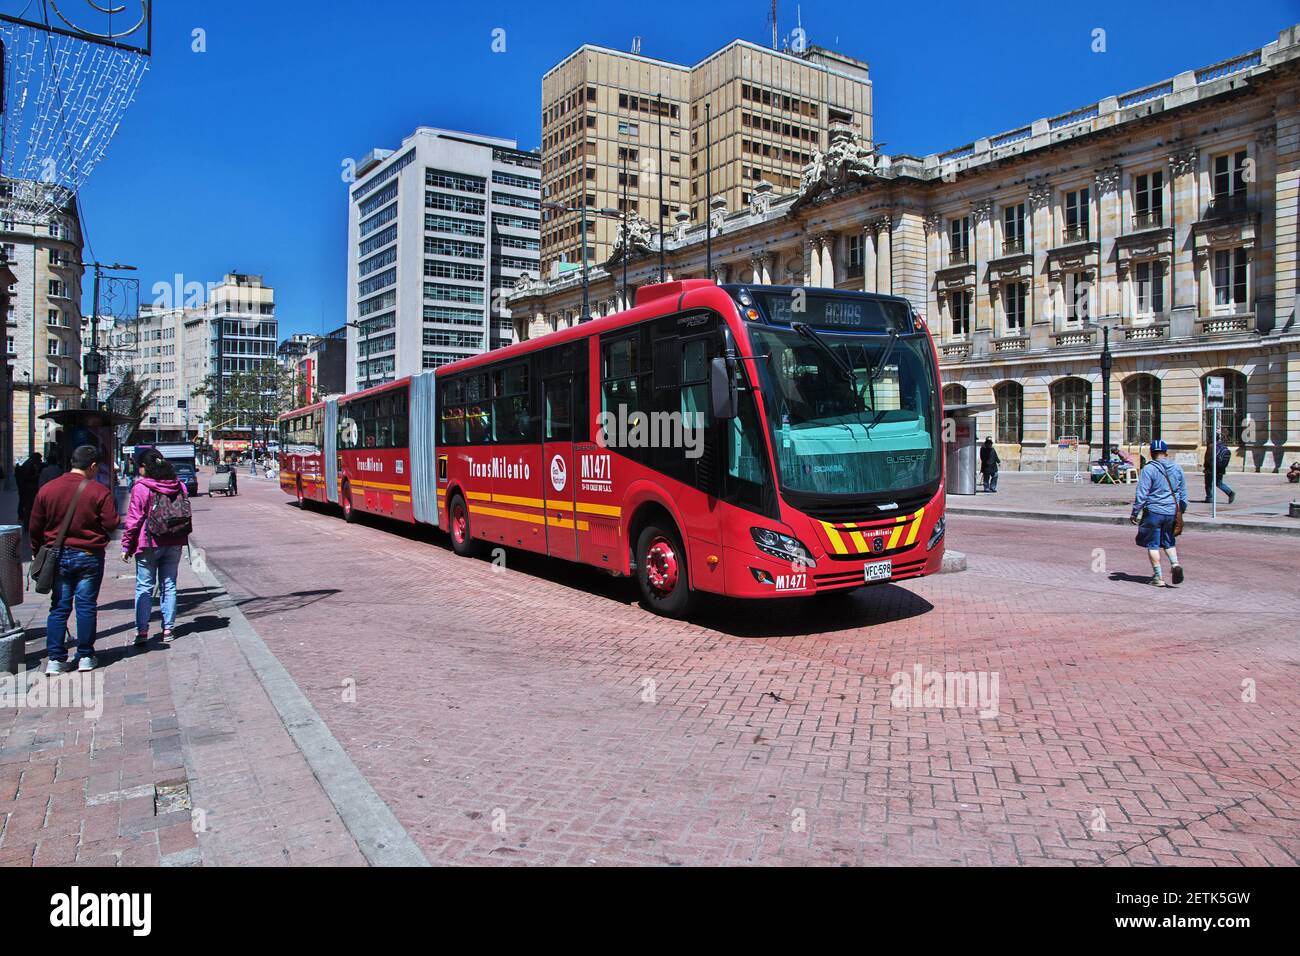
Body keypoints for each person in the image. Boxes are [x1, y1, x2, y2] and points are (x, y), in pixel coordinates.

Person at [28, 444, 120, 672]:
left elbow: (35, 526)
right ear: (92, 466)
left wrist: (38, 548)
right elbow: (111, 524)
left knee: (59, 607)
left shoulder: (48, 489)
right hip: (89, 554)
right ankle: (86, 656)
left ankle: (56, 659)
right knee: (86, 606)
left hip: (57, 555)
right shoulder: (98, 491)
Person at [121, 451, 191, 645]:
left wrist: (127, 544)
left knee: (144, 587)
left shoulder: (141, 487)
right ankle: (168, 628)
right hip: (174, 540)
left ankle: (142, 631)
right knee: (169, 586)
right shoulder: (180, 485)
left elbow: (134, 519)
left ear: (145, 467)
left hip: (149, 542)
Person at [1129, 438, 1188, 588]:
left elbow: (1142, 493)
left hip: (1154, 511)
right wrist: (1180, 510)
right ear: (1166, 452)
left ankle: (1158, 576)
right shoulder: (1177, 468)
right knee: (1169, 541)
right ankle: (1175, 564)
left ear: (1151, 453)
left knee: (1153, 544)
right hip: (1170, 511)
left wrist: (1135, 512)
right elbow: (1183, 493)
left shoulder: (1148, 469)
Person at [16, 452, 41, 527]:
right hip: (28, 488)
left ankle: (22, 517)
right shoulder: (29, 465)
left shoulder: (28, 463)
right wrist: (36, 476)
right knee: (28, 505)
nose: (40, 461)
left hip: (25, 487)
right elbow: (26, 477)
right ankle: (26, 521)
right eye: (39, 459)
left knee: (24, 502)